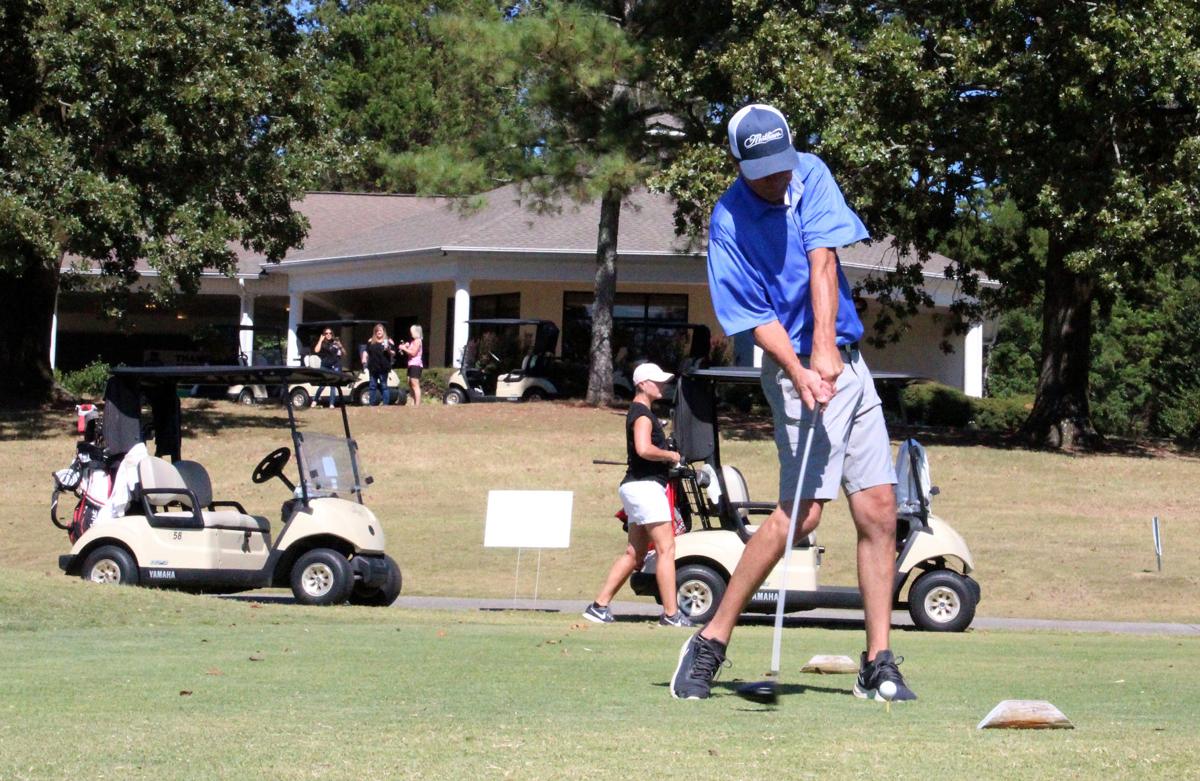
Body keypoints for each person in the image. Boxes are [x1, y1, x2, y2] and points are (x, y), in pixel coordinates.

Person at [670, 103, 915, 702]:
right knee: (802, 514)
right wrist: (803, 368)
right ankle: (709, 642)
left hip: (846, 362)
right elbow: (753, 317)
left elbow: (823, 259)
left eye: (783, 162)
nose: (780, 177)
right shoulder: (727, 223)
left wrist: (829, 348)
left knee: (880, 510)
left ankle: (878, 662)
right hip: (791, 368)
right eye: (766, 170)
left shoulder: (810, 173)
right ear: (739, 163)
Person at [582, 363, 693, 628]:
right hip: (645, 487)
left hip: (635, 486)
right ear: (642, 384)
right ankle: (671, 614)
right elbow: (644, 449)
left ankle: (598, 606)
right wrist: (670, 455)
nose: (662, 385)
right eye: (657, 381)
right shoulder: (642, 414)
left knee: (635, 553)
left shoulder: (640, 412)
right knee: (667, 549)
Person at [311, 328, 345, 408]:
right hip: (325, 366)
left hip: (334, 365)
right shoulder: (323, 343)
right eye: (326, 333)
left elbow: (344, 353)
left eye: (330, 333)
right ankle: (315, 400)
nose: (328, 334)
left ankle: (331, 404)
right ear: (324, 335)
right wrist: (320, 340)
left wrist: (340, 346)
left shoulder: (335, 343)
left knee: (333, 385)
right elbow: (316, 350)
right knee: (322, 385)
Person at [364, 323, 396, 406]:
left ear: (383, 331)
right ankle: (372, 404)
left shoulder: (388, 341)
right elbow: (366, 351)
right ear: (375, 332)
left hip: (383, 367)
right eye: (377, 331)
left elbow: (393, 353)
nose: (379, 332)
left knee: (384, 386)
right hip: (373, 367)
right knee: (372, 386)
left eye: (380, 330)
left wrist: (388, 349)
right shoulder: (371, 341)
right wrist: (364, 358)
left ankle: (385, 404)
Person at [398, 324, 424, 406]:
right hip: (410, 364)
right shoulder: (413, 341)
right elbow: (410, 351)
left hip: (416, 365)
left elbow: (413, 353)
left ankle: (417, 404)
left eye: (412, 331)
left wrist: (404, 348)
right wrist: (406, 346)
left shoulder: (418, 341)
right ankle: (412, 402)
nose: (411, 333)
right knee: (410, 383)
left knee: (415, 384)